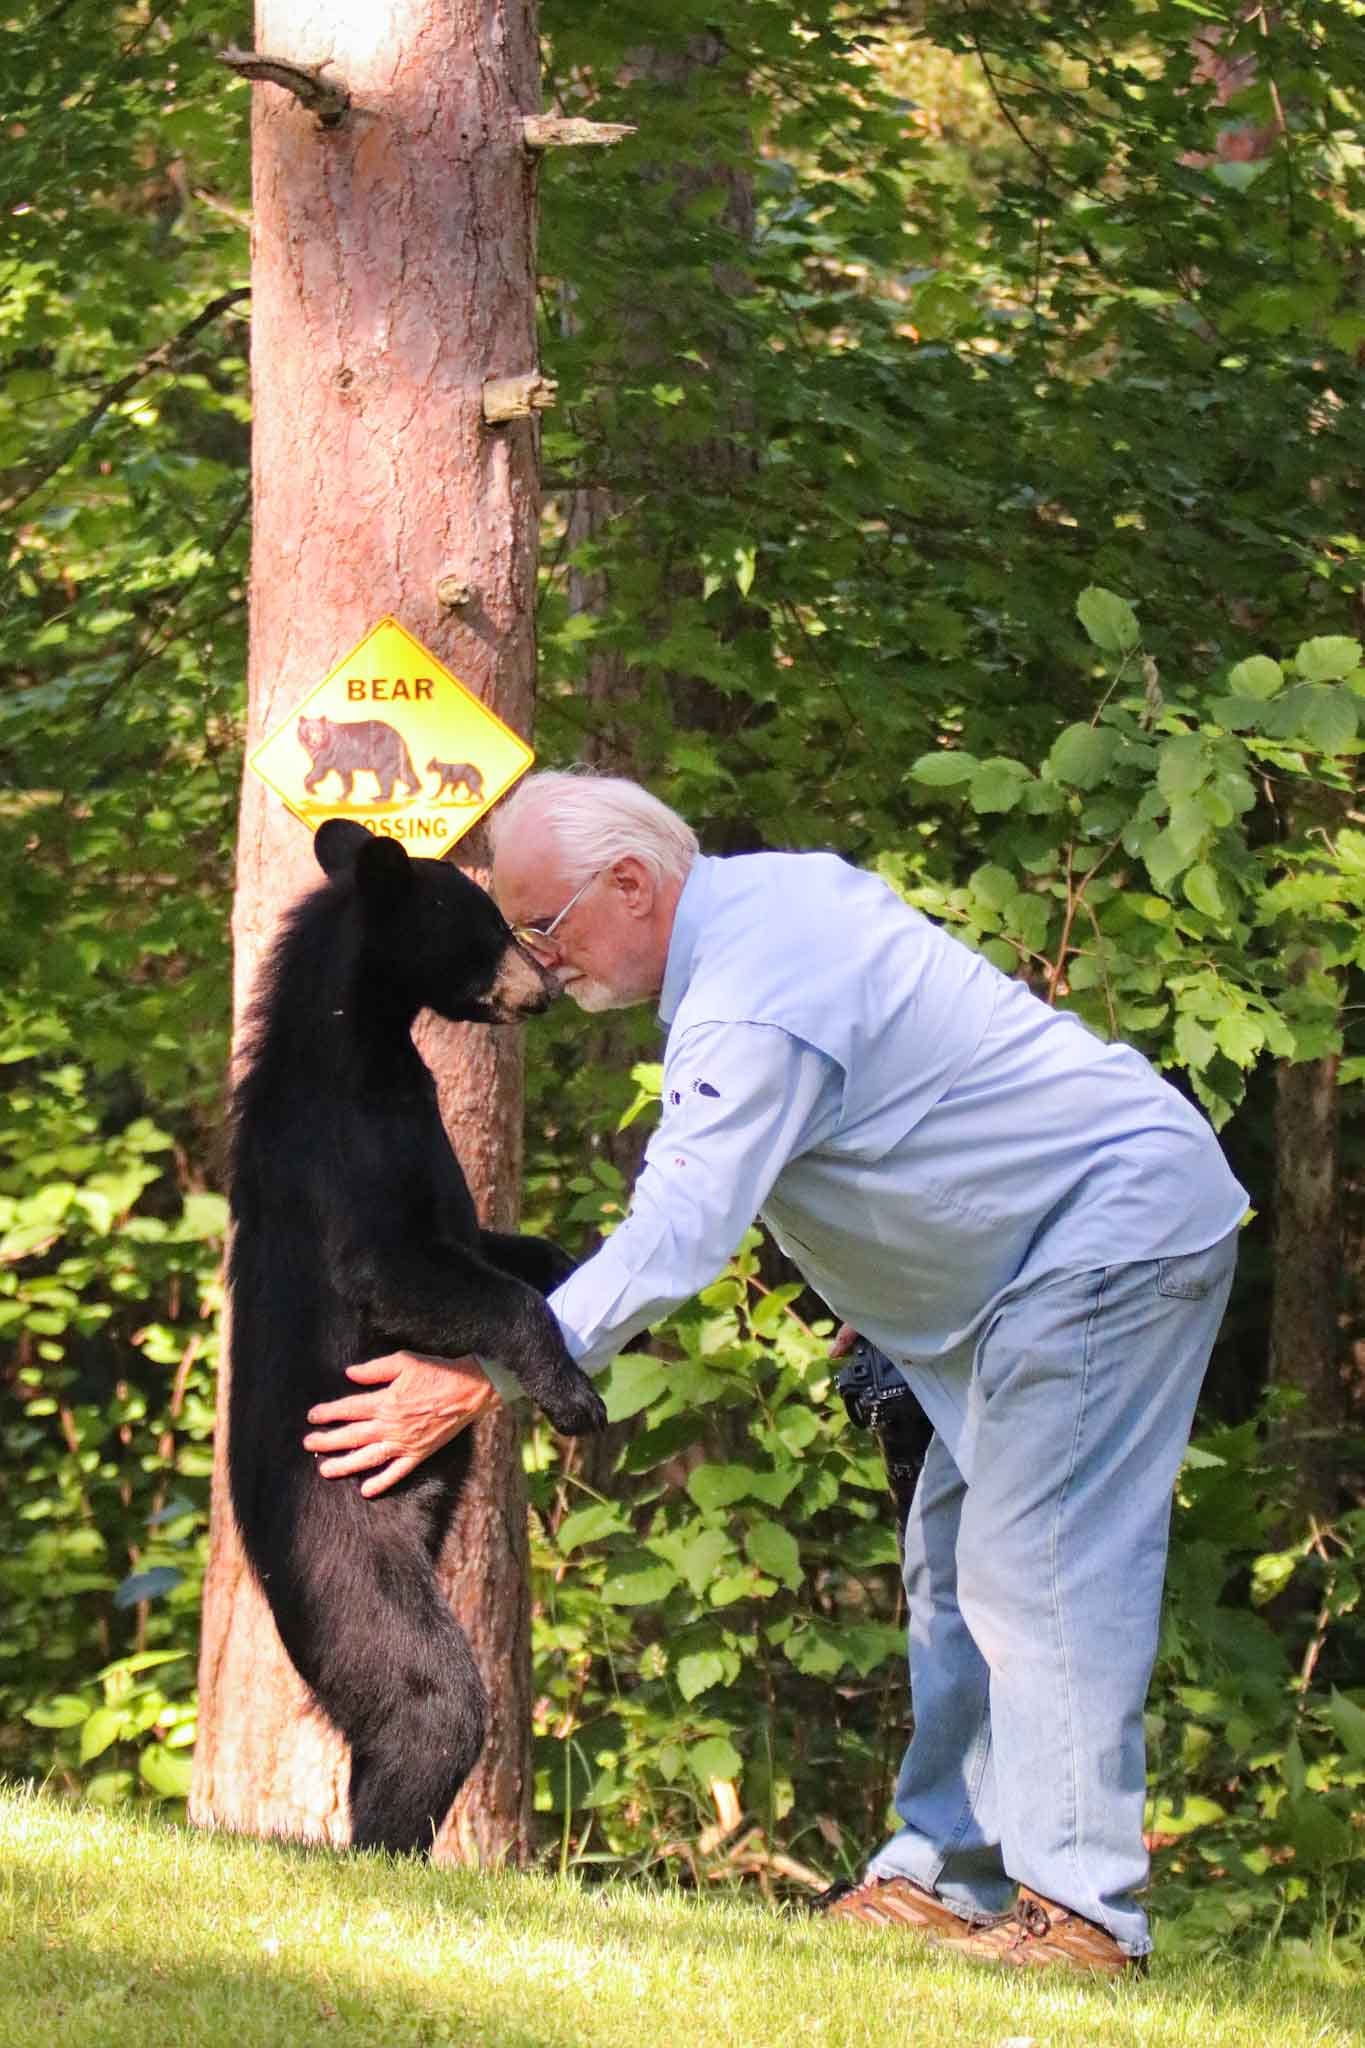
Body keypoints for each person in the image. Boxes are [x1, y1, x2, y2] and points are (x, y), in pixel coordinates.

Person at [303, 770, 1247, 1976]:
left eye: (542, 924)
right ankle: (945, 1876)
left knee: (1039, 1560)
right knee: (953, 1561)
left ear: (631, 882)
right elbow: (892, 1114)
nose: (536, 960)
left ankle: (1085, 1916)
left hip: (1108, 1228)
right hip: (1012, 1266)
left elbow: (680, 1229)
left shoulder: (753, 992)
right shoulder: (771, 908)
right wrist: (874, 1294)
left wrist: (489, 1365)